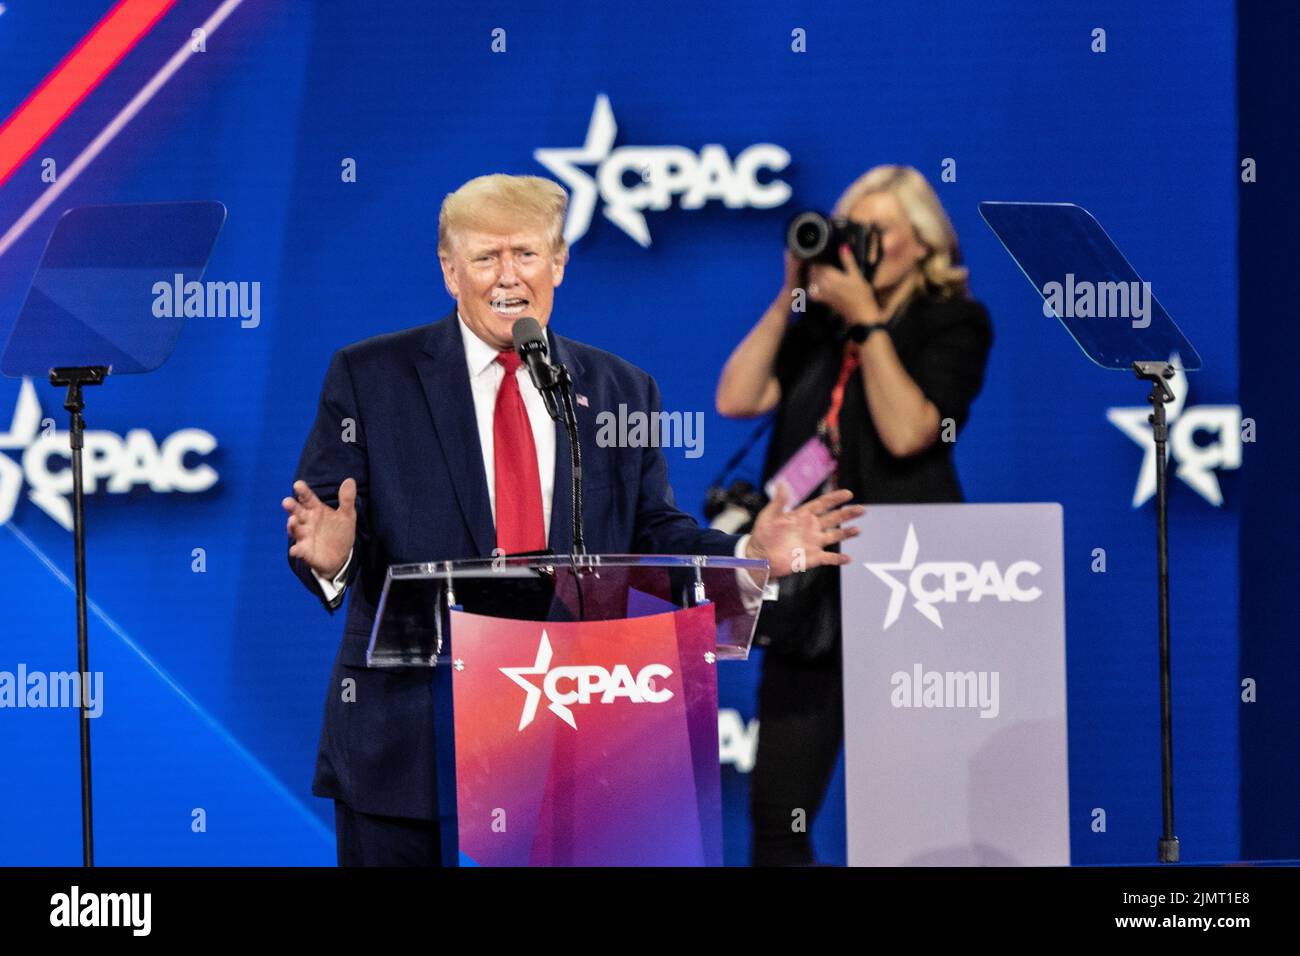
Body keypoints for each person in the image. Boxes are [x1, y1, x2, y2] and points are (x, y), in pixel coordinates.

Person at [282, 173, 864, 866]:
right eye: (484, 257)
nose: (508, 276)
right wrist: (333, 558)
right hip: (411, 740)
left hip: (572, 733)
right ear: (448, 270)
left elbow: (652, 531)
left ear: (558, 261)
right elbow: (328, 517)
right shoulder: (370, 376)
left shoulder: (619, 388)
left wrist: (744, 549)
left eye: (526, 254)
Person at [716, 165, 993, 866]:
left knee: (911, 820)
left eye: (877, 233)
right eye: (850, 231)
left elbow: (909, 432)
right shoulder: (818, 327)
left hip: (910, 594)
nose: (859, 245)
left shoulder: (953, 323)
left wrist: (870, 323)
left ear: (924, 245)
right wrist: (791, 295)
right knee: (779, 817)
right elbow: (736, 397)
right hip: (812, 594)